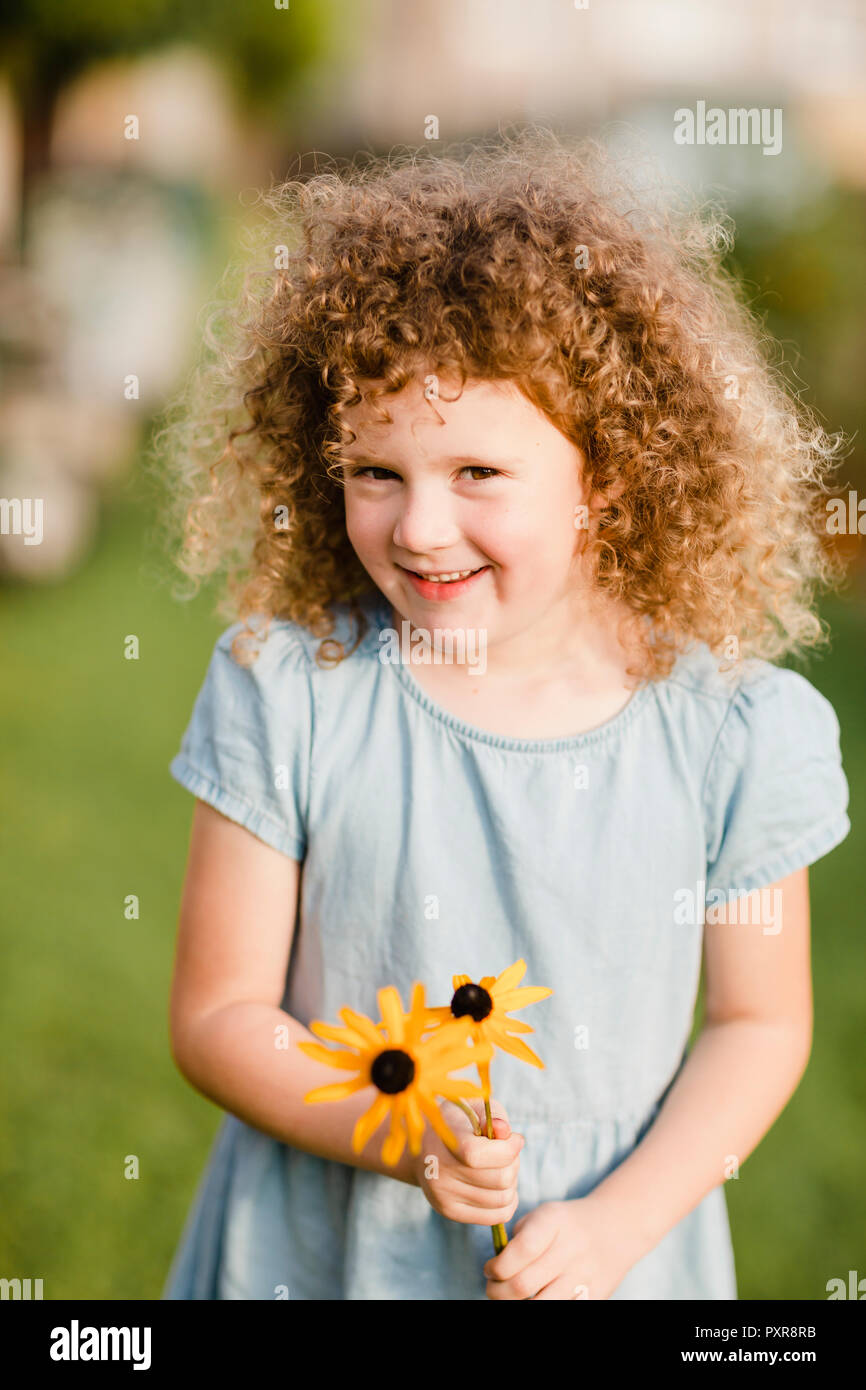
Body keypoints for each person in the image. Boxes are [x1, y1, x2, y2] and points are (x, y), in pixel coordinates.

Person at [157, 129, 850, 1299]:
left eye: (477, 473)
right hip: (325, 1250)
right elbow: (218, 1015)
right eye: (376, 471)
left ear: (606, 478)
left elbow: (757, 1024)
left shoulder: (735, 733)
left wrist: (615, 1228)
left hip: (608, 1253)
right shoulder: (287, 690)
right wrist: (404, 1137)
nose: (419, 526)